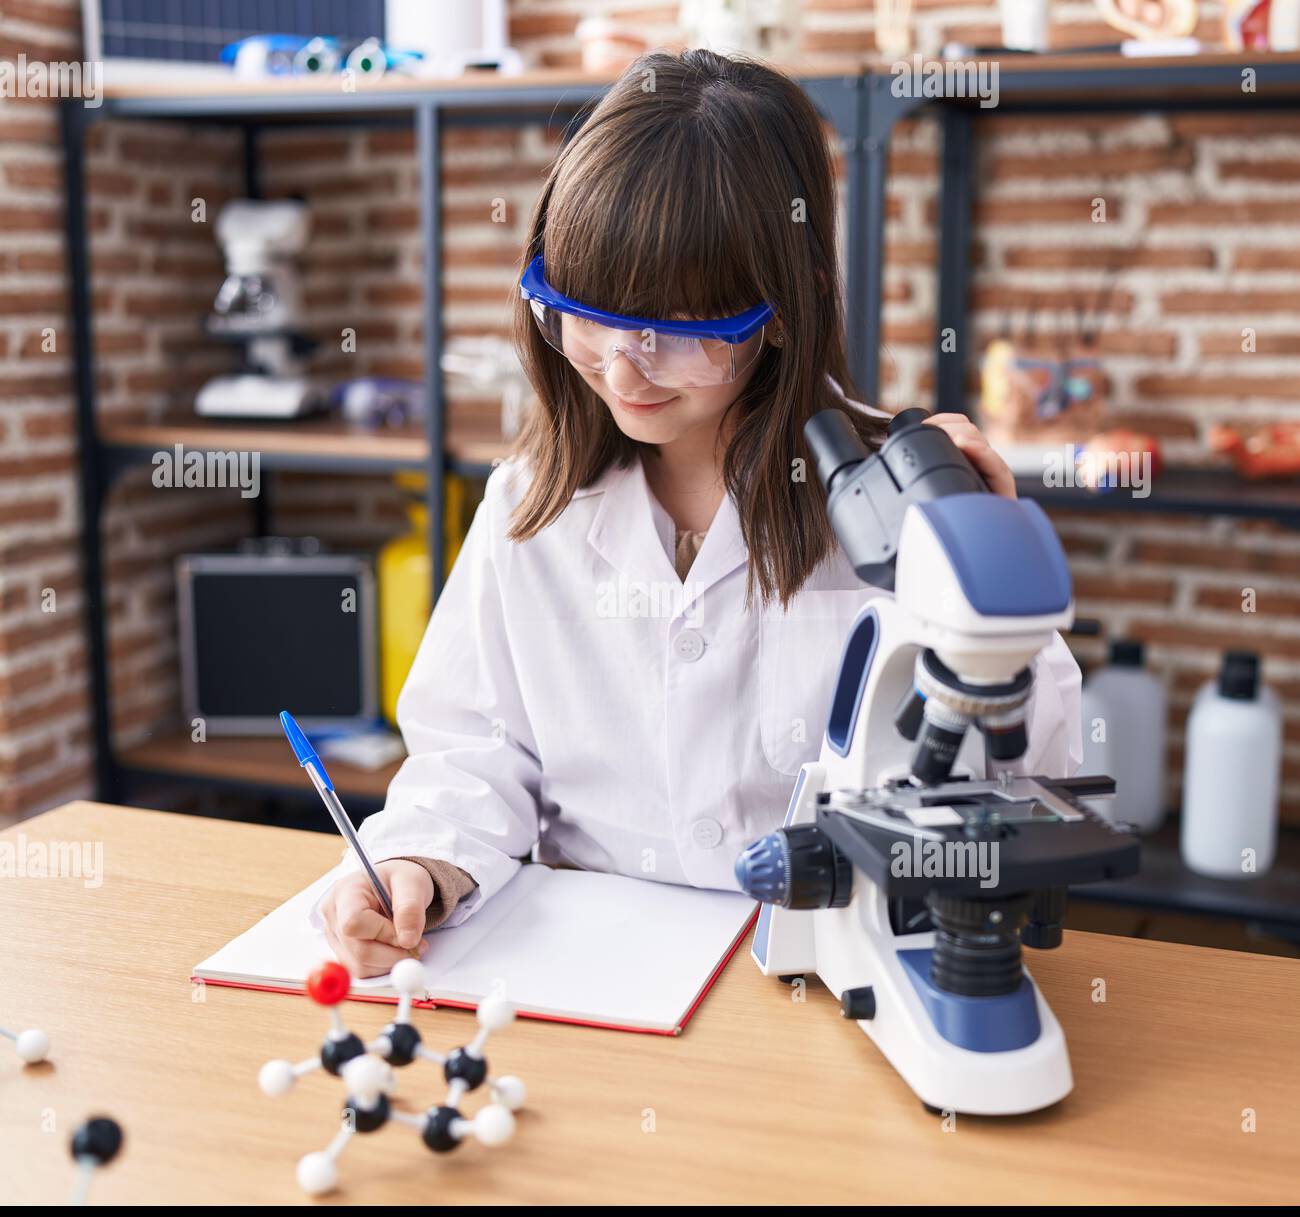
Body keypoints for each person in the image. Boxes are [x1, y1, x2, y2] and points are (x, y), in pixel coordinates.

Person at [319, 49, 1080, 977]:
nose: (622, 371)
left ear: (782, 313)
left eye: (674, 334)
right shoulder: (530, 504)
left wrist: (989, 587)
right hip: (590, 974)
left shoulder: (899, 505)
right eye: (584, 316)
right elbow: (474, 752)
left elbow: (1024, 780)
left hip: (829, 972)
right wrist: (415, 864)